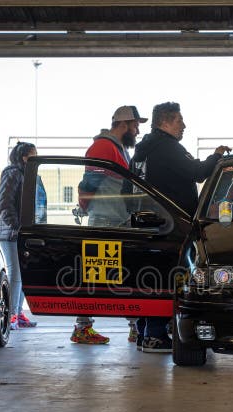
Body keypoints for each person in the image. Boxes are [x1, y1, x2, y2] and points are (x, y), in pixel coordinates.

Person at [131, 101, 231, 352]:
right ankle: (155, 335)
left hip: (146, 223)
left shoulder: (143, 150)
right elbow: (198, 171)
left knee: (149, 276)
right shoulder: (167, 147)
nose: (184, 125)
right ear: (164, 121)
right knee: (166, 277)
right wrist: (217, 155)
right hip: (169, 225)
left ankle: (145, 333)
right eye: (179, 120)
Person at [70, 105, 148, 345]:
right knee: (94, 277)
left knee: (126, 275)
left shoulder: (118, 148)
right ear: (123, 124)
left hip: (117, 220)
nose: (137, 131)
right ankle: (82, 328)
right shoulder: (103, 146)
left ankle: (135, 327)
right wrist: (85, 206)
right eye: (135, 126)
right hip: (105, 222)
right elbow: (89, 184)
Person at [0, 141, 39, 330]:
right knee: (15, 274)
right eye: (34, 154)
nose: (37, 157)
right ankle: (11, 315)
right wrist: (17, 226)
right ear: (24, 157)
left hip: (22, 232)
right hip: (12, 233)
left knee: (22, 275)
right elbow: (4, 203)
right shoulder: (13, 173)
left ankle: (17, 313)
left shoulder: (26, 175)